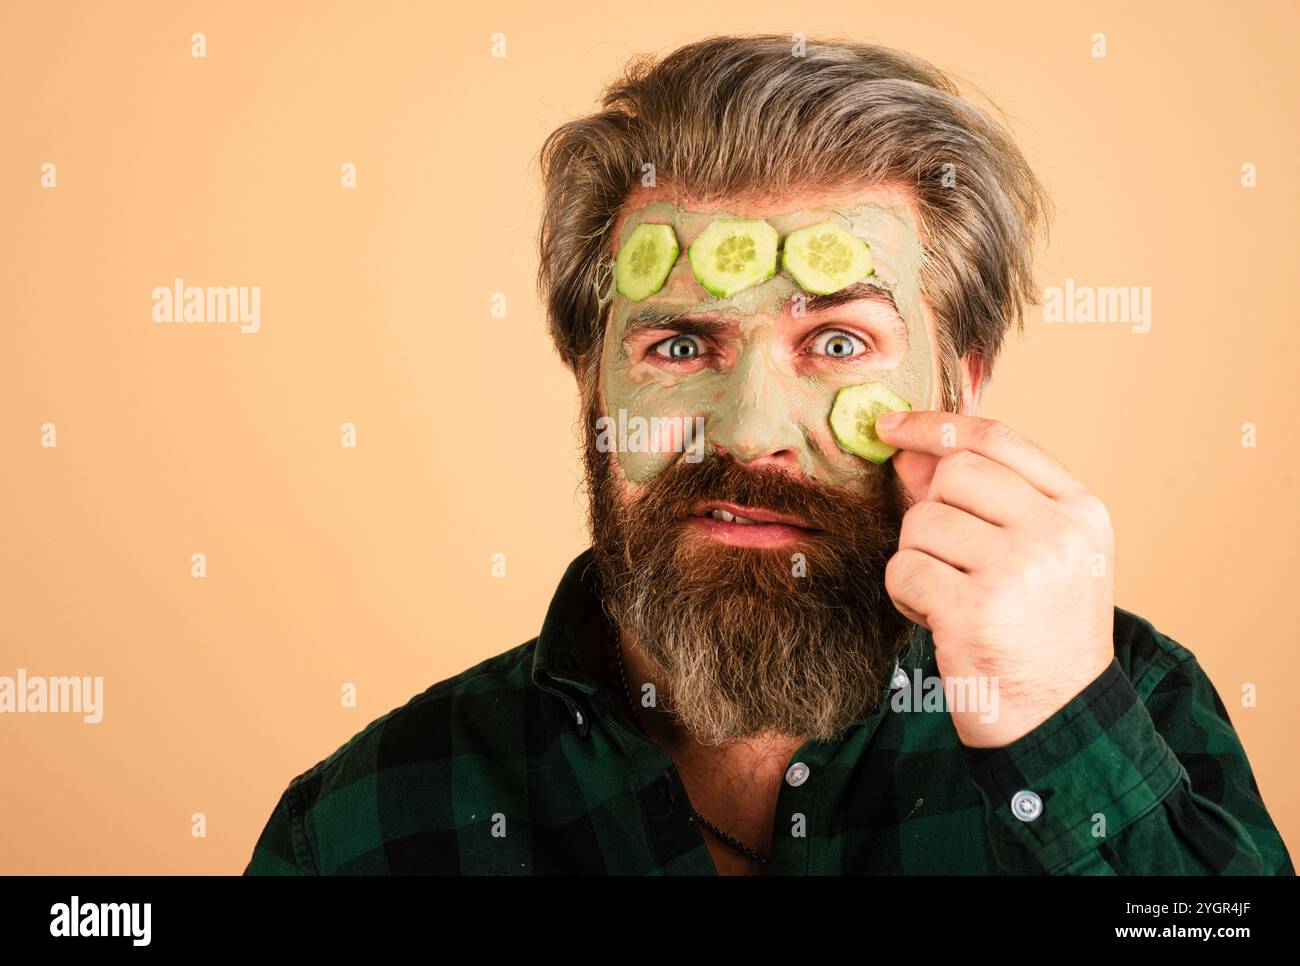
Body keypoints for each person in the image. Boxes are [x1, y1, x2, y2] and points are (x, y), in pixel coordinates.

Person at [244, 34, 1293, 875]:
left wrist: (1057, 730)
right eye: (680, 343)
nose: (748, 431)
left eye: (835, 344)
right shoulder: (362, 823)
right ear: (588, 380)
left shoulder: (1125, 707)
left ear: (957, 386)